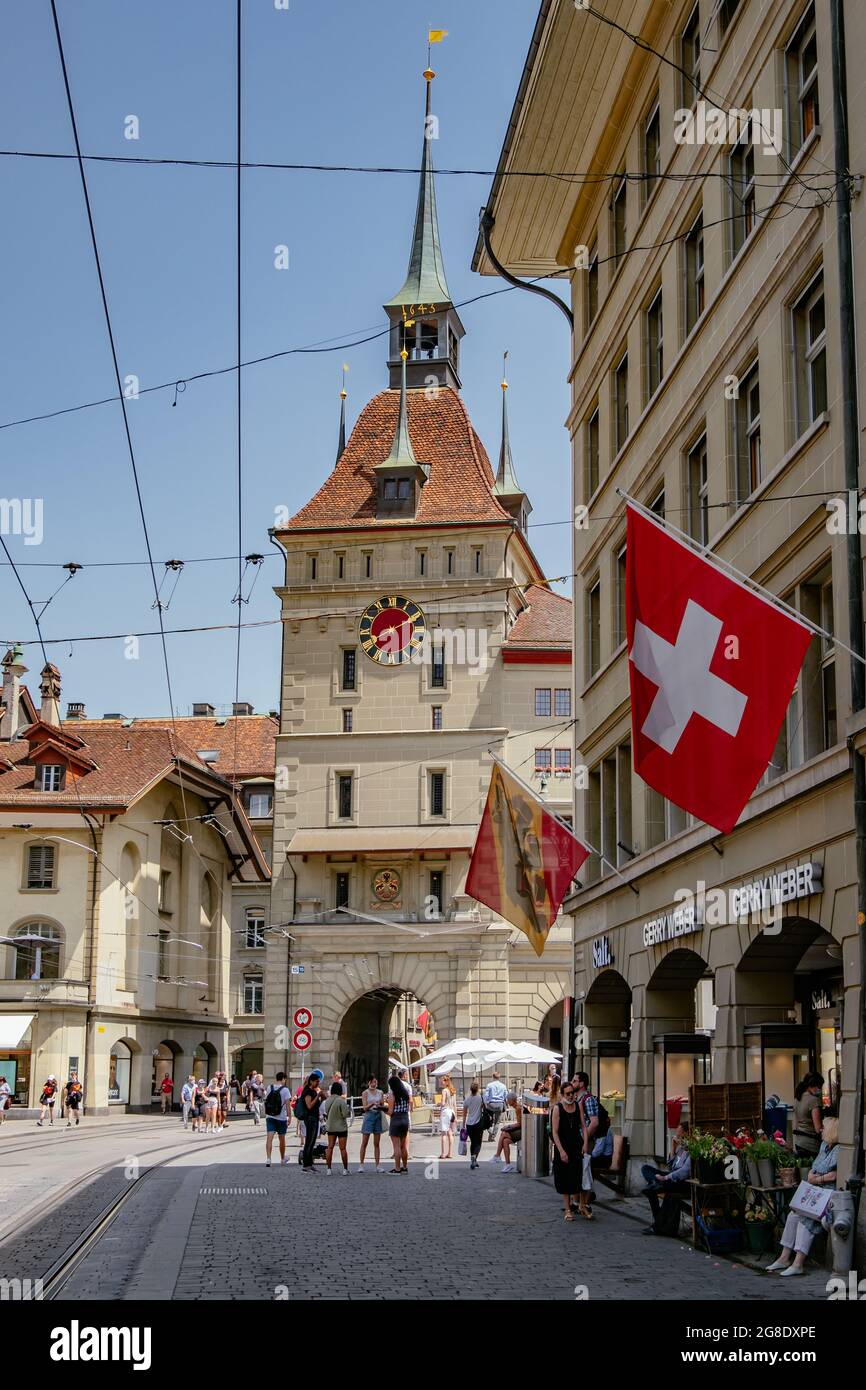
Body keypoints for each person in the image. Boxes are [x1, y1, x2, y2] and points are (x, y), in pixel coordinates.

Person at [767, 1116, 839, 1276]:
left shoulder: (839, 1149)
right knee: (794, 1215)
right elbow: (818, 1167)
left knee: (807, 1219)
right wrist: (820, 1176)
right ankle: (784, 1257)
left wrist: (817, 1177)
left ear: (832, 1131)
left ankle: (798, 1263)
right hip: (817, 1190)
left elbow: (830, 1172)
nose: (821, 1129)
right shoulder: (823, 1146)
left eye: (824, 1127)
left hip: (829, 1195)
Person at [640, 1123, 692, 1234]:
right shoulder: (681, 1147)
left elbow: (684, 1172)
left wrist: (666, 1177)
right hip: (670, 1175)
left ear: (686, 1134)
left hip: (679, 1181)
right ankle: (656, 1182)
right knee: (645, 1168)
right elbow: (670, 1165)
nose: (677, 1135)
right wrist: (673, 1148)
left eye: (679, 1132)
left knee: (649, 1190)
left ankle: (657, 1226)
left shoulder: (691, 1150)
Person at [551, 1080, 585, 1221]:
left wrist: (585, 1143)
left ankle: (580, 1205)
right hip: (563, 1146)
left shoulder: (578, 1106)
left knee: (577, 1176)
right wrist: (561, 1151)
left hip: (576, 1145)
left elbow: (583, 1125)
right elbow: (555, 1132)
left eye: (573, 1093)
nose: (571, 1096)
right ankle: (567, 1209)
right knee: (565, 1179)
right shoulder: (557, 1108)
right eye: (568, 1094)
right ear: (563, 1094)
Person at [358, 1075, 387, 1172]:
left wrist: (381, 1104)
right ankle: (361, 1165)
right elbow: (364, 1108)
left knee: (377, 1143)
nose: (374, 1084)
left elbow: (383, 1104)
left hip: (377, 1116)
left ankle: (378, 1165)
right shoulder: (365, 1093)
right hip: (369, 1116)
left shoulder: (380, 1092)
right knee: (364, 1142)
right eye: (373, 1082)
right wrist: (372, 1103)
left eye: (375, 1082)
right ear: (369, 1082)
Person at [793, 1073, 824, 1160]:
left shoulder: (797, 1099)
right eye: (819, 1087)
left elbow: (796, 1123)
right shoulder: (814, 1100)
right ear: (811, 1085)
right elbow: (818, 1129)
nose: (820, 1090)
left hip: (799, 1142)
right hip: (811, 1144)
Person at [264, 1071, 292, 1167]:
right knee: (282, 1139)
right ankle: (282, 1158)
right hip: (281, 1118)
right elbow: (288, 1105)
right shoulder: (285, 1090)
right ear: (283, 1079)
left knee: (269, 1138)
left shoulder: (269, 1087)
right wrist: (289, 1117)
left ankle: (268, 1159)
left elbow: (266, 1100)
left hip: (270, 1116)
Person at [323, 1082, 351, 1174]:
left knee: (330, 1147)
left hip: (331, 1127)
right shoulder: (341, 1100)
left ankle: (329, 1169)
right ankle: (345, 1169)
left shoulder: (327, 1100)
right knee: (342, 1149)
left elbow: (326, 1112)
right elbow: (345, 1114)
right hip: (341, 1127)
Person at [386, 1073, 411, 1173]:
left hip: (396, 1119)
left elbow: (390, 1111)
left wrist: (382, 1109)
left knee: (396, 1146)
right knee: (403, 1145)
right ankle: (405, 1167)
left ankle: (397, 1168)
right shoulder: (405, 1094)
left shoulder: (392, 1095)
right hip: (405, 1118)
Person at [299, 1072, 325, 1171]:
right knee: (309, 1142)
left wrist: (321, 1097)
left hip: (314, 1118)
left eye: (319, 1081)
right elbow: (309, 1106)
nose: (318, 1083)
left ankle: (309, 1163)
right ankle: (306, 1165)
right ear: (311, 1081)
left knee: (312, 1141)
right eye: (316, 1081)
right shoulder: (308, 1092)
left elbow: (317, 1104)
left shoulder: (313, 1090)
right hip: (310, 1118)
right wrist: (318, 1095)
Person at [491, 1093, 522, 1172]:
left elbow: (520, 1124)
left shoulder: (518, 1108)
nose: (507, 1102)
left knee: (504, 1133)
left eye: (508, 1100)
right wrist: (509, 1127)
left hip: (522, 1131)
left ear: (512, 1100)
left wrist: (508, 1127)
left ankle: (497, 1155)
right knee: (505, 1141)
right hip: (520, 1130)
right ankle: (508, 1164)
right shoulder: (517, 1108)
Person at [461, 1081, 486, 1171]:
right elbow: (484, 1107)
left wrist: (463, 1125)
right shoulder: (480, 1098)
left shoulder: (467, 1099)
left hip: (469, 1124)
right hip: (478, 1123)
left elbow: (464, 1114)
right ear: (478, 1089)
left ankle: (473, 1159)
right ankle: (474, 1158)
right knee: (478, 1143)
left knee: (473, 1142)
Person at [482, 1071, 508, 1142]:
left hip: (491, 1104)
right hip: (500, 1104)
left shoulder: (489, 1085)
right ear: (499, 1077)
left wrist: (486, 1103)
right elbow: (506, 1096)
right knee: (497, 1122)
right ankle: (493, 1136)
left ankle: (490, 1132)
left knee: (487, 1120)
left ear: (493, 1077)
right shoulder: (503, 1086)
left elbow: (486, 1096)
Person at [439, 1083, 456, 1161]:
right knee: (450, 1133)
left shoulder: (444, 1090)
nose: (440, 1082)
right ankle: (450, 1153)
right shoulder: (452, 1090)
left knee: (444, 1134)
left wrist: (438, 1103)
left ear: (445, 1082)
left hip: (446, 1112)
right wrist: (456, 1116)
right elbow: (454, 1104)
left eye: (442, 1080)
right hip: (452, 1112)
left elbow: (443, 1103)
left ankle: (443, 1153)